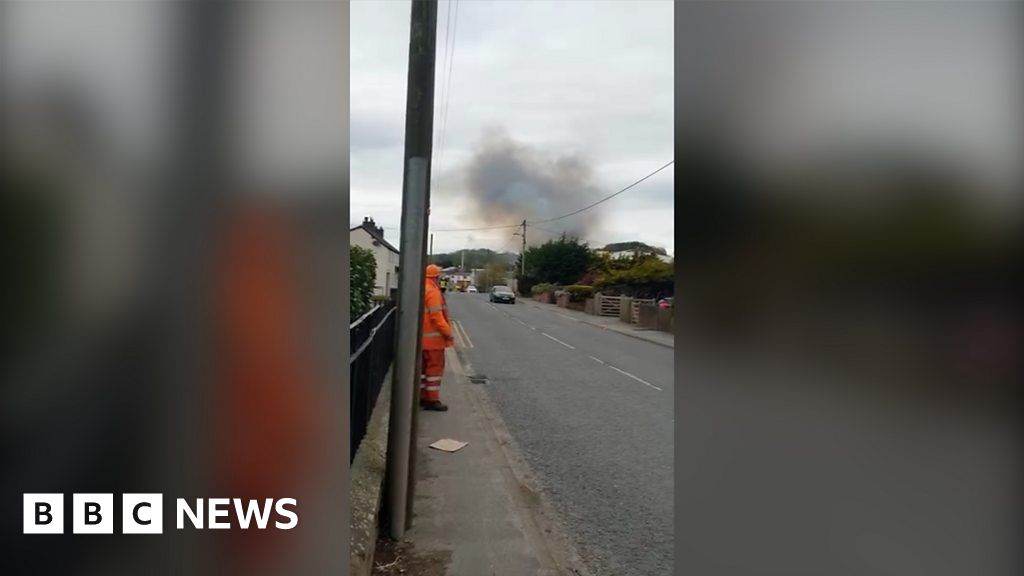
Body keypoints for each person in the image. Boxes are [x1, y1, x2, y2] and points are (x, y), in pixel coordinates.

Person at [421, 264, 454, 411]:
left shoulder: (422, 288)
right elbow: (437, 317)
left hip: (421, 340)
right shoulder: (433, 292)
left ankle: (422, 396)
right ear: (435, 277)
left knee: (423, 371)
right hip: (433, 341)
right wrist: (448, 333)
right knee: (434, 371)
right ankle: (432, 400)